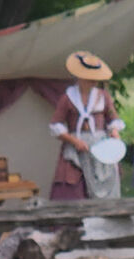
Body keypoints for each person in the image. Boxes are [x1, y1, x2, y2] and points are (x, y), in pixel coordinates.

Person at [50, 49, 125, 201]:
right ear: (81, 77)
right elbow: (55, 125)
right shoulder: (68, 98)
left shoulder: (103, 96)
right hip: (77, 146)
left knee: (107, 182)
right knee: (73, 185)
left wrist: (115, 132)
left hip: (100, 146)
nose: (94, 82)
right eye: (90, 78)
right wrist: (75, 141)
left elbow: (113, 119)